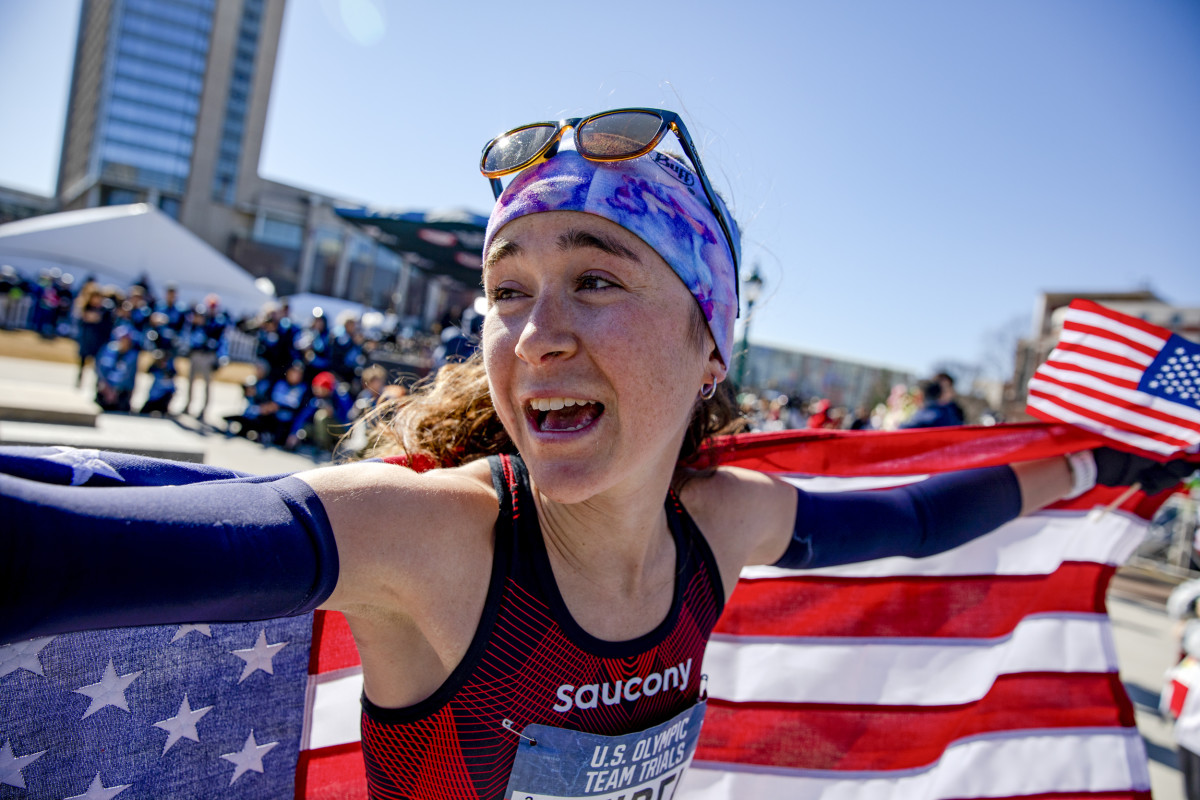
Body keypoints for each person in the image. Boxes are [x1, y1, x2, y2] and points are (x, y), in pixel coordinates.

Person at [2, 107, 1195, 800]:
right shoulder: (431, 538)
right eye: (506, 289)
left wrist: (1095, 471)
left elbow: (922, 520)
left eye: (594, 277)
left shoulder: (722, 524)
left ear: (709, 344)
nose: (537, 333)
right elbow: (58, 551)